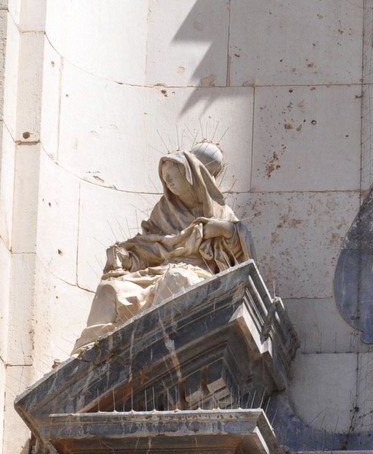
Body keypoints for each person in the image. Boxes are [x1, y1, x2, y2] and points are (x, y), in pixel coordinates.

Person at [72, 142, 253, 351]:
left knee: (175, 279)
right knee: (109, 289)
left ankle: (154, 347)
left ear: (189, 176)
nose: (168, 182)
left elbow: (241, 256)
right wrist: (127, 258)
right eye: (165, 179)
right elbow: (150, 250)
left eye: (172, 177)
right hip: (157, 274)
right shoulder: (163, 212)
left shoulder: (220, 213)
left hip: (194, 273)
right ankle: (88, 352)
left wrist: (225, 230)